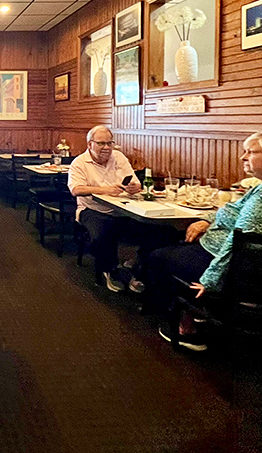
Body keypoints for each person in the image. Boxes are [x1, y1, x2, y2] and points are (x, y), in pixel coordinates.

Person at [146, 132, 262, 351]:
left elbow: (237, 244)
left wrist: (210, 280)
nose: (243, 157)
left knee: (156, 256)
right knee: (177, 243)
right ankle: (193, 308)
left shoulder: (260, 199)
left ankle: (185, 325)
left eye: (250, 152)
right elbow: (231, 211)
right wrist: (205, 220)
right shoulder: (257, 187)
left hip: (237, 269)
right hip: (223, 255)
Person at [67, 125, 146, 293]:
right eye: (101, 143)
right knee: (102, 233)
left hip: (123, 209)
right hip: (92, 210)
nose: (106, 148)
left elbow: (135, 182)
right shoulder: (79, 163)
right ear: (90, 145)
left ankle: (138, 265)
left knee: (155, 229)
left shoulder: (119, 157)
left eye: (110, 143)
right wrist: (105, 190)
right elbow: (76, 189)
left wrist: (134, 187)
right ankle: (110, 269)